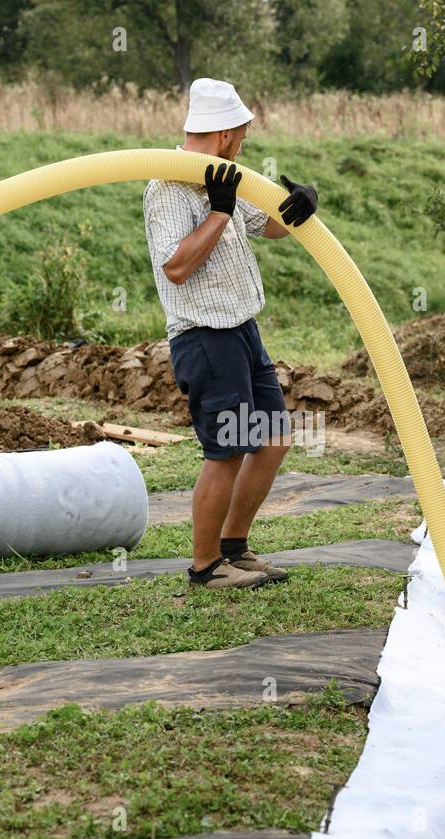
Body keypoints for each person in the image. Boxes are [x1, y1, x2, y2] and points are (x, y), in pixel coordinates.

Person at [143, 78, 319, 590]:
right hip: (205, 335)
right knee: (229, 449)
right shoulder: (167, 189)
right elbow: (176, 267)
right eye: (241, 135)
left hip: (242, 328)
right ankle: (204, 567)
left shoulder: (225, 178)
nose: (244, 144)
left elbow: (268, 224)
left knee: (274, 439)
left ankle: (234, 548)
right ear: (223, 135)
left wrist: (301, 206)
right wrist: (219, 211)